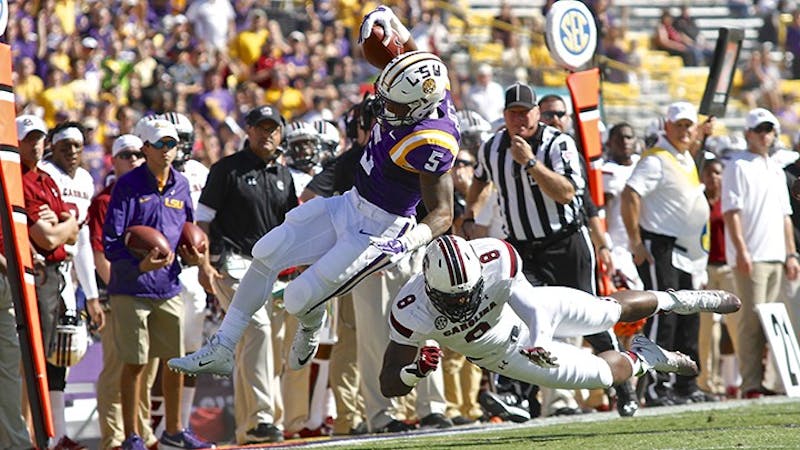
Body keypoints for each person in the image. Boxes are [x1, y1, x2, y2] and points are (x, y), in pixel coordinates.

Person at [168, 8, 458, 378]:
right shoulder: (422, 85)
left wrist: (408, 243)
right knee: (267, 252)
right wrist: (393, 23)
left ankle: (311, 319)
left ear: (419, 106)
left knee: (297, 298)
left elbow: (443, 212)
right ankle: (223, 347)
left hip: (381, 231)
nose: (385, 107)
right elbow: (413, 61)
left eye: (395, 104)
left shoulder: (432, 140)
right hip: (352, 203)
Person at [380, 235, 742, 401]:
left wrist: (539, 341)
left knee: (606, 311)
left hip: (528, 312)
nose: (462, 302)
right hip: (503, 353)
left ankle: (681, 299)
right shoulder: (411, 309)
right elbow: (388, 384)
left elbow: (533, 308)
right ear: (429, 286)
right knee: (603, 375)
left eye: (467, 293)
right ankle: (647, 358)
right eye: (452, 298)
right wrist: (415, 371)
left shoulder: (494, 257)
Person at [462, 84, 621, 417]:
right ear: (504, 115)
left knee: (591, 319)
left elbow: (567, 193)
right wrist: (469, 215)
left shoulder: (559, 143)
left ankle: (623, 382)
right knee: (519, 319)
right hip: (523, 248)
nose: (519, 119)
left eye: (525, 112)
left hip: (564, 243)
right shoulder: (492, 148)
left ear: (536, 113)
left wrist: (531, 163)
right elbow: (479, 180)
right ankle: (517, 396)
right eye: (513, 113)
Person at [103, 119, 210, 450]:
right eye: (160, 144)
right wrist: (139, 264)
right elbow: (111, 241)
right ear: (145, 148)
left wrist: (193, 255)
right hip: (132, 287)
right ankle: (132, 435)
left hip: (168, 285)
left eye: (171, 144)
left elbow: (187, 229)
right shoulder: (127, 185)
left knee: (175, 361)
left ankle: (174, 431)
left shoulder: (182, 184)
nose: (167, 151)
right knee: (135, 363)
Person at [620, 101, 711, 406]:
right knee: (665, 315)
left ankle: (686, 383)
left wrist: (702, 136)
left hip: (687, 249)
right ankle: (656, 385)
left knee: (689, 316)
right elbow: (630, 194)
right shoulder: (656, 159)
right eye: (679, 125)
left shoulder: (682, 156)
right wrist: (635, 242)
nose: (684, 131)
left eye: (689, 126)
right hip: (661, 245)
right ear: (667, 127)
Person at [722, 108, 799, 398]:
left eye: (769, 130)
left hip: (776, 254)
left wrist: (791, 254)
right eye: (760, 130)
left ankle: (774, 382)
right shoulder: (737, 165)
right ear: (748, 134)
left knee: (776, 322)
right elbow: (731, 212)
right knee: (751, 323)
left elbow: (785, 216)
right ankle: (751, 384)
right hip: (752, 255)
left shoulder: (776, 169)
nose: (765, 135)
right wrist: (742, 250)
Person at [88, 134, 157, 449]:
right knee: (118, 368)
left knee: (146, 368)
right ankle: (115, 437)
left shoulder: (149, 195)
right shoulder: (104, 201)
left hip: (149, 291)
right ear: (113, 161)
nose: (134, 160)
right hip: (118, 293)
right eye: (126, 155)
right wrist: (121, 288)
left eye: (138, 155)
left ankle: (143, 432)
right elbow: (99, 254)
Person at [18, 115, 82, 449]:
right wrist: (65, 224)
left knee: (50, 358)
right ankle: (27, 434)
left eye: (39, 138)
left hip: (57, 276)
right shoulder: (17, 178)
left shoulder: (47, 178)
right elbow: (49, 238)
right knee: (29, 358)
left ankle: (44, 434)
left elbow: (71, 232)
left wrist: (63, 224)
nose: (35, 144)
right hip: (35, 275)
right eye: (29, 138)